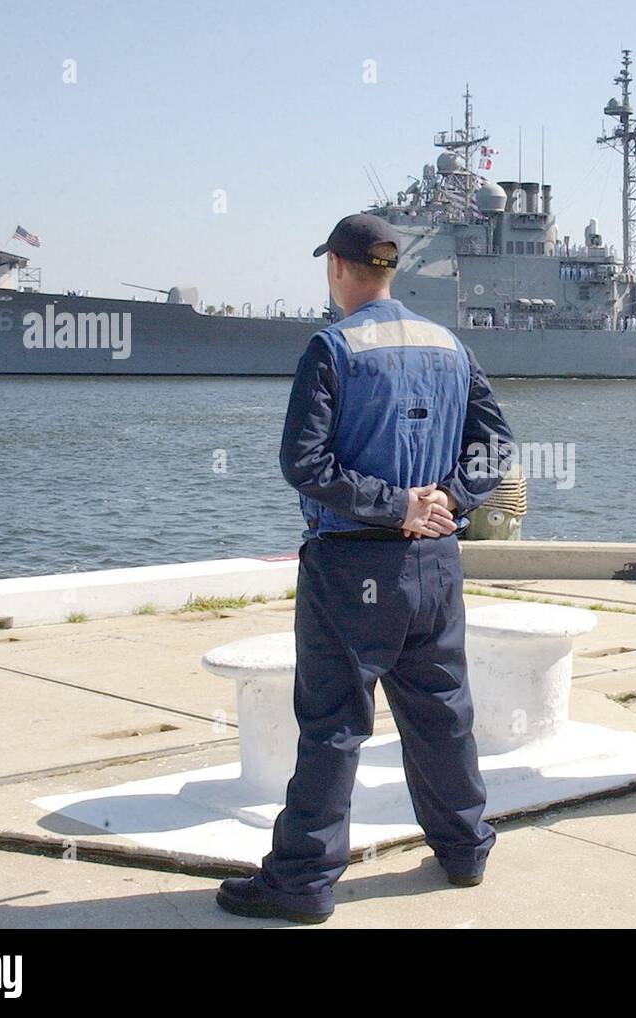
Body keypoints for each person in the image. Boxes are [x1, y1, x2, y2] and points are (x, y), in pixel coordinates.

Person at [216, 213, 515, 923]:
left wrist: (394, 506)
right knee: (442, 714)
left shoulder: (333, 348)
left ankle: (301, 883)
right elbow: (496, 446)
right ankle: (465, 849)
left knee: (334, 725)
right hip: (435, 567)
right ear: (392, 268)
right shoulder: (450, 345)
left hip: (352, 568)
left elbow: (305, 464)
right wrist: (446, 499)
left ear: (338, 268)